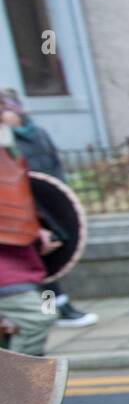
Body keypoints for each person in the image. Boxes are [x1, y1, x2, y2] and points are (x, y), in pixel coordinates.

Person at [0, 92, 96, 328]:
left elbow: (53, 166)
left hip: (45, 208)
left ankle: (58, 309)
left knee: (46, 266)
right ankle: (51, 311)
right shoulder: (7, 142)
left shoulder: (37, 135)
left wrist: (60, 197)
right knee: (36, 271)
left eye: (8, 110)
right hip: (25, 211)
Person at [0, 125, 65, 404]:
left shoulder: (10, 152)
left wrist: (37, 226)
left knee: (14, 331)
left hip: (19, 254)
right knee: (37, 317)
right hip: (6, 267)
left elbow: (20, 197)